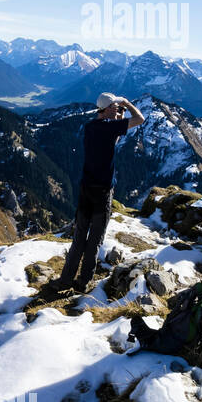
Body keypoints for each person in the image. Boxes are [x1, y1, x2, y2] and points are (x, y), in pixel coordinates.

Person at [51, 93, 145, 292]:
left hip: (86, 189)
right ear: (108, 108)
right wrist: (127, 103)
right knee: (94, 240)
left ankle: (65, 279)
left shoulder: (91, 127)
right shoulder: (110, 127)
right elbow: (140, 119)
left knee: (79, 238)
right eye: (114, 106)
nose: (117, 109)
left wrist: (116, 115)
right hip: (102, 192)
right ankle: (83, 282)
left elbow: (113, 139)